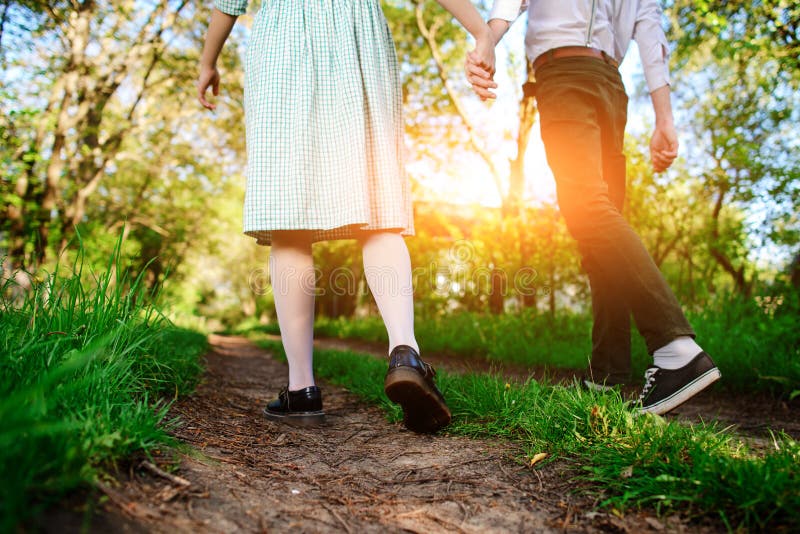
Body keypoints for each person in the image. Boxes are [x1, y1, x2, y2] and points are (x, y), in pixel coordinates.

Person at [198, 0, 495, 432]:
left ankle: (301, 390)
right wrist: (480, 31)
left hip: (282, 45)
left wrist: (208, 61)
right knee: (378, 207)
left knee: (290, 219)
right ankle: (405, 352)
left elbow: (229, 2)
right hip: (358, 37)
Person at [465, 0, 721, 415]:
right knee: (601, 229)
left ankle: (676, 348)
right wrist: (664, 119)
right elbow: (652, 36)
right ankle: (609, 375)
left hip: (564, 75)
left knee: (588, 209)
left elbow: (511, 3)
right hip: (610, 87)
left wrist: (487, 39)